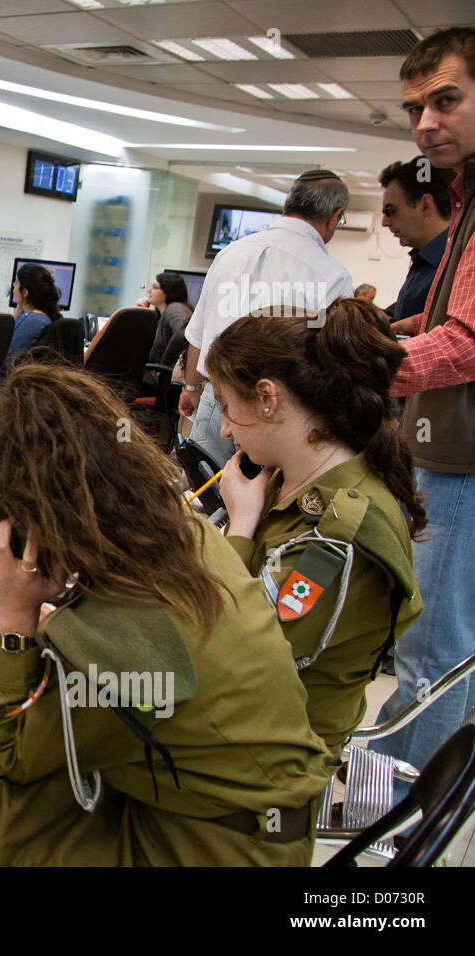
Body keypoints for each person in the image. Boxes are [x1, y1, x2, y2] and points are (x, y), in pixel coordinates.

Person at [0, 363, 333, 866]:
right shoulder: (186, 534)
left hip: (208, 851)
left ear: (30, 530)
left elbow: (15, 753)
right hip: (262, 822)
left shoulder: (111, 635)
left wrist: (17, 615)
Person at [209, 302, 425, 759]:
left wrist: (241, 527)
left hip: (266, 758)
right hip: (243, 723)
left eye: (227, 407)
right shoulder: (288, 478)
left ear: (268, 398)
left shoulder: (338, 537)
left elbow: (227, 651)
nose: (225, 429)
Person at [371, 26, 475, 806]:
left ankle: (398, 815)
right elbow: (454, 316)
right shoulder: (466, 201)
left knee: (430, 650)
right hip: (447, 452)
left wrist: (355, 369)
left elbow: (470, 341)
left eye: (446, 100)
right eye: (414, 108)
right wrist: (401, 332)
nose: (425, 124)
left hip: (462, 463)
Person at [179, 170, 355, 467]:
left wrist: (192, 389)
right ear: (334, 216)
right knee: (270, 509)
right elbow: (335, 360)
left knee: (208, 503)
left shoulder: (229, 254)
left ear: (289, 204)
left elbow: (199, 333)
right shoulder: (331, 274)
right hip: (280, 414)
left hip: (217, 399)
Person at [378, 156, 455, 328]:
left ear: (425, 206)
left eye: (391, 211)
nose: (384, 222)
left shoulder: (456, 264)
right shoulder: (424, 261)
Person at [0, 263, 62, 375]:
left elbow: (6, 364)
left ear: (25, 293)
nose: (13, 286)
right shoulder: (44, 317)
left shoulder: (32, 321)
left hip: (9, 384)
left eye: (17, 283)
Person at [139, 272, 194, 385]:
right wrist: (144, 311)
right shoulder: (162, 314)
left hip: (162, 380)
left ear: (168, 292)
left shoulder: (174, 308)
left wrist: (165, 364)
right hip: (157, 377)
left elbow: (184, 333)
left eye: (155, 287)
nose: (149, 290)